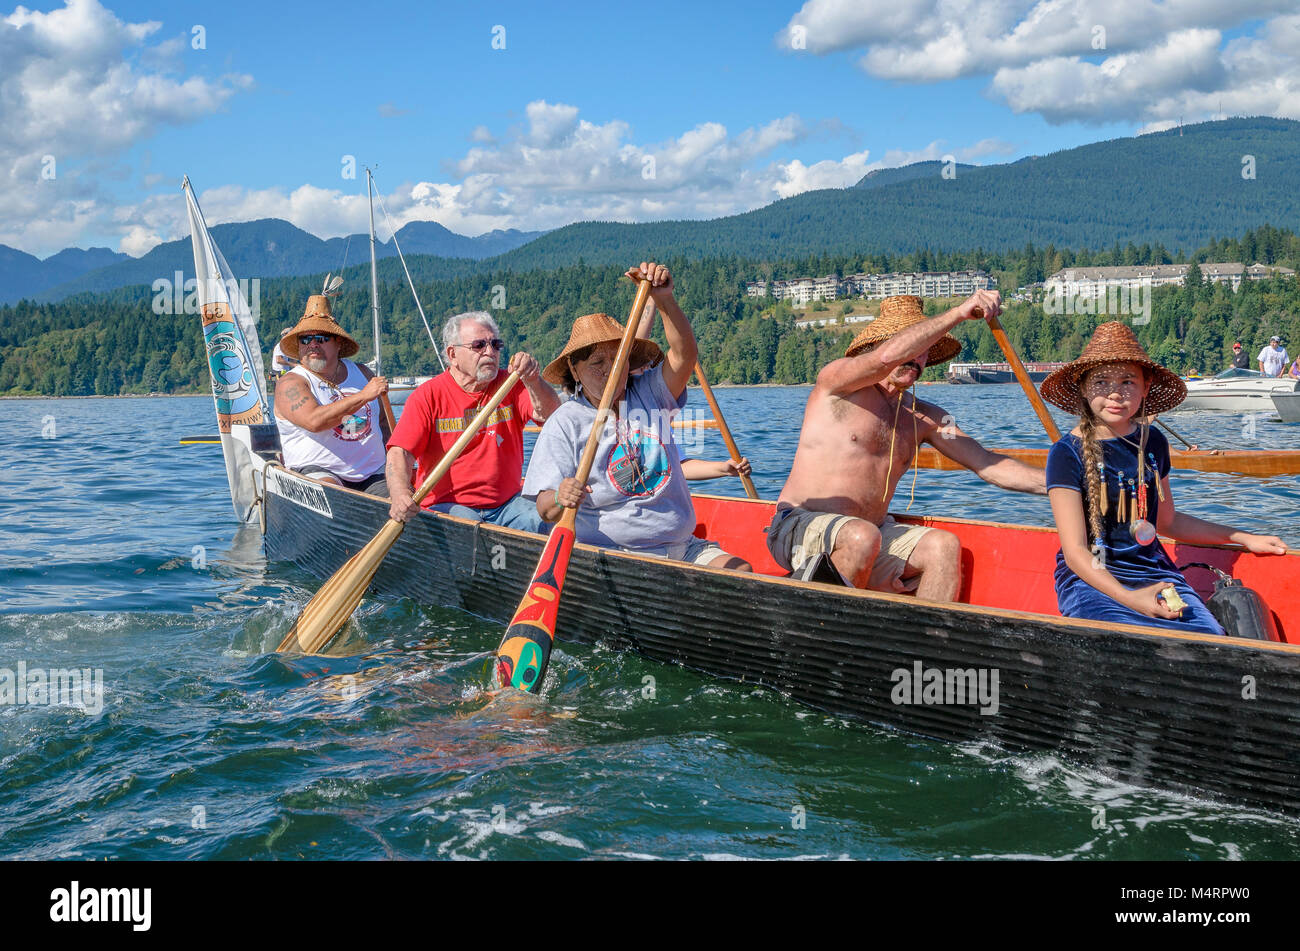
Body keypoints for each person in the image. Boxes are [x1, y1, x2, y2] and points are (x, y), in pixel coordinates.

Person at [768, 292, 1045, 599]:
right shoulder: (837, 384)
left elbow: (987, 463)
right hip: (799, 526)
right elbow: (885, 359)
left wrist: (1061, 484)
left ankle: (928, 641)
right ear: (878, 346)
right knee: (862, 537)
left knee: (943, 546)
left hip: (870, 535)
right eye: (912, 346)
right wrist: (958, 313)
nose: (917, 358)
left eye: (927, 351)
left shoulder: (930, 418)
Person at [1041, 321, 1286, 634]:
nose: (1115, 393)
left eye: (1128, 381)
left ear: (1146, 387)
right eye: (1101, 381)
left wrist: (1243, 538)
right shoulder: (1065, 453)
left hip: (1152, 572)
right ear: (1083, 387)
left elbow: (1168, 522)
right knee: (1128, 643)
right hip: (1091, 580)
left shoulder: (1152, 441)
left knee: (1210, 639)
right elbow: (1075, 553)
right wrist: (1130, 598)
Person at [523, 261, 751, 571]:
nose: (609, 370)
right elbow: (545, 509)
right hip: (612, 556)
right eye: (596, 363)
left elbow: (684, 355)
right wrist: (562, 496)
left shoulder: (650, 393)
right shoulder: (566, 422)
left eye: (618, 359)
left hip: (681, 548)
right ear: (574, 370)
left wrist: (664, 299)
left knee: (741, 573)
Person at [385, 311, 560, 532]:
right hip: (450, 505)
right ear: (453, 354)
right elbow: (400, 452)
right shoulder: (428, 395)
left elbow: (551, 415)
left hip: (506, 504)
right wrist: (400, 493)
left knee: (546, 522)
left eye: (496, 345)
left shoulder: (512, 384)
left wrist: (533, 380)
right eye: (479, 345)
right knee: (469, 531)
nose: (490, 352)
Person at [273, 295, 390, 494]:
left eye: (321, 338)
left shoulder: (362, 373)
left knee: (403, 498)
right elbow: (314, 421)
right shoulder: (291, 383)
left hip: (373, 471)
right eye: (305, 339)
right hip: (319, 471)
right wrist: (363, 396)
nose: (312, 344)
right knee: (336, 495)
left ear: (338, 343)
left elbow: (384, 423)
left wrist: (397, 461)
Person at [635, 297, 754, 485]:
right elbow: (634, 346)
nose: (646, 369)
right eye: (640, 366)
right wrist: (651, 298)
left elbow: (677, 465)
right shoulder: (598, 407)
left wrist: (723, 468)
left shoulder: (654, 415)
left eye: (649, 366)